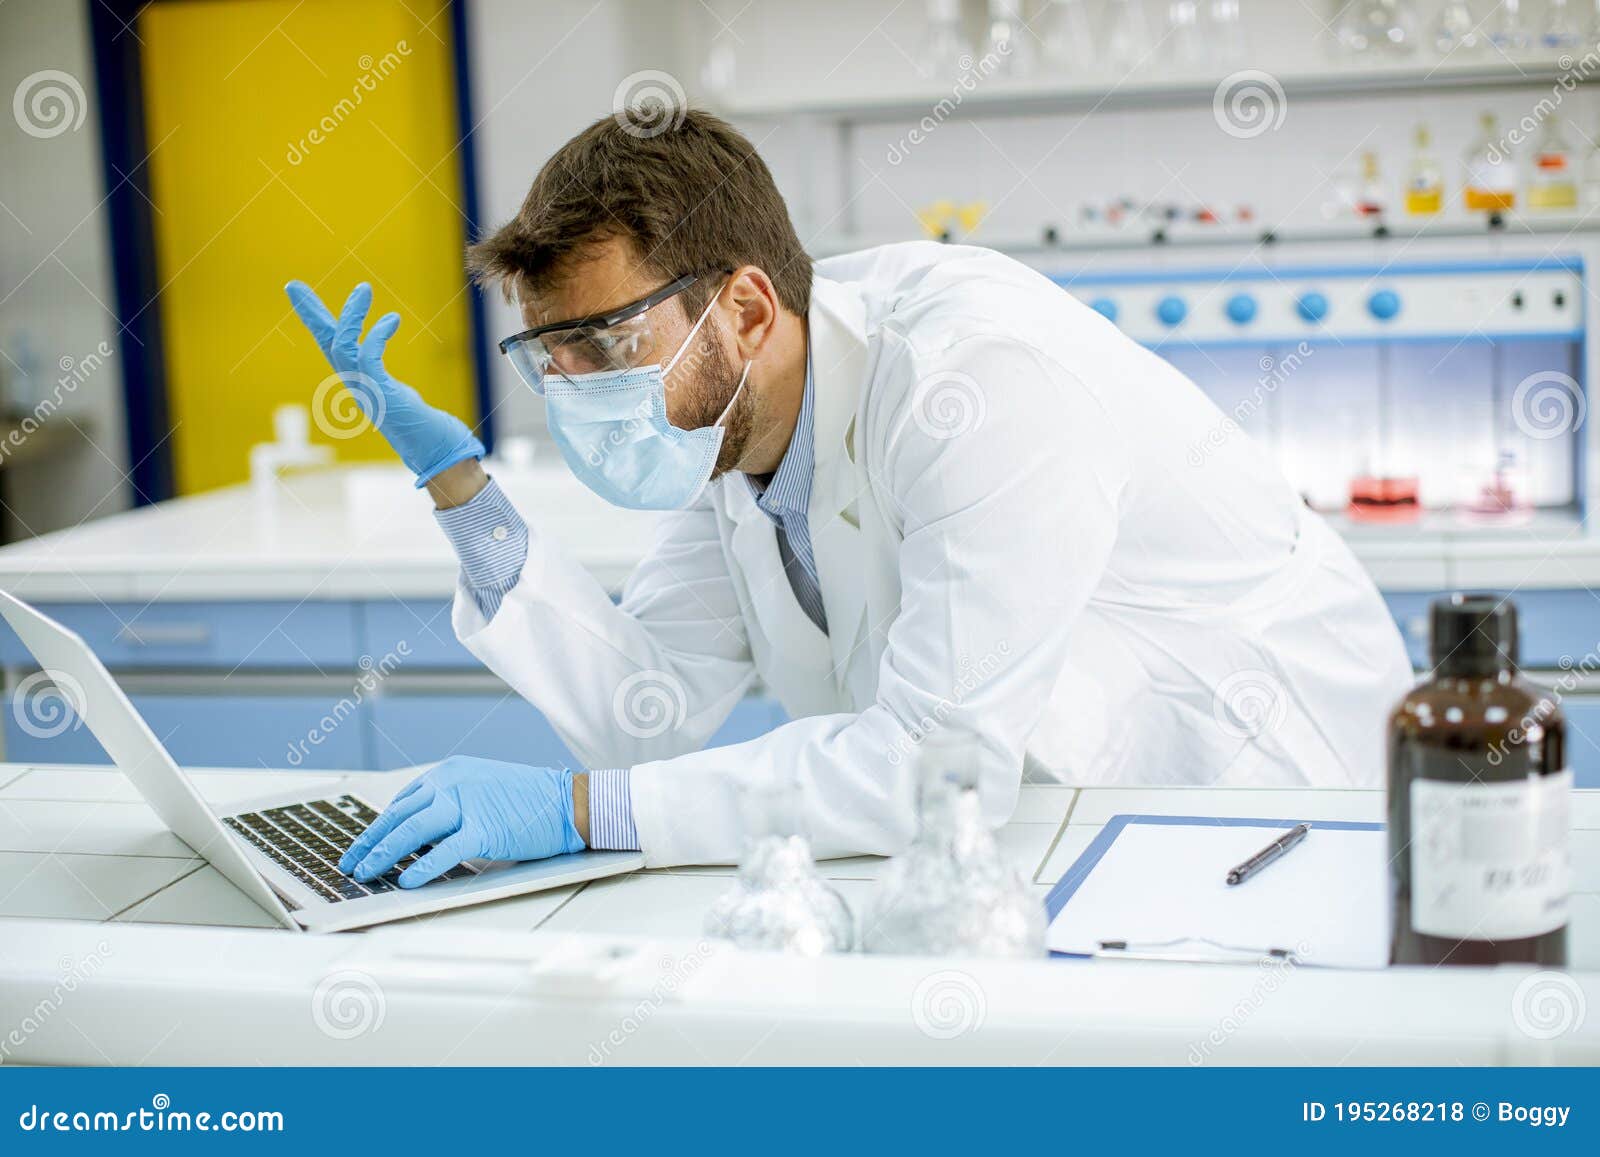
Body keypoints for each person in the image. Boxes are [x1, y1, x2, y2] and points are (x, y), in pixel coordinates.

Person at [285, 109, 1412, 888]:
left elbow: (931, 761)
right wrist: (461, 488)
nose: (579, 390)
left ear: (747, 309)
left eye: (610, 342)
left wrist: (579, 816)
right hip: (1041, 815)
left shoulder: (977, 382)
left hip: (1265, 790)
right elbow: (650, 705)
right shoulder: (731, 435)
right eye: (553, 357)